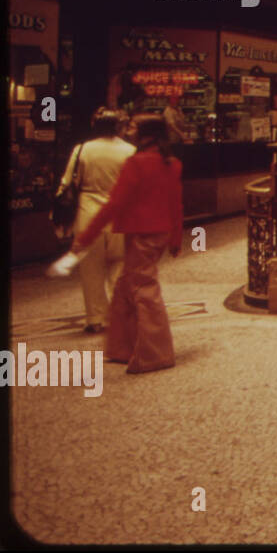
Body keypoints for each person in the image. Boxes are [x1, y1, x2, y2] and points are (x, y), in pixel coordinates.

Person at [69, 115, 183, 374]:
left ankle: (155, 353)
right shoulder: (172, 163)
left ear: (146, 134)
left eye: (133, 127)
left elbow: (115, 204)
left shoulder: (136, 163)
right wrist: (176, 238)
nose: (129, 130)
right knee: (124, 286)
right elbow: (176, 202)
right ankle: (123, 347)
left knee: (143, 288)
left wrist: (85, 237)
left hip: (139, 233)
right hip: (159, 232)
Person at [58, 108, 136, 333]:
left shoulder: (82, 149)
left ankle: (95, 318)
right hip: (121, 216)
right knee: (120, 267)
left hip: (88, 214)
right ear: (118, 127)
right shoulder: (130, 150)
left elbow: (67, 183)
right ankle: (118, 315)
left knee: (91, 270)